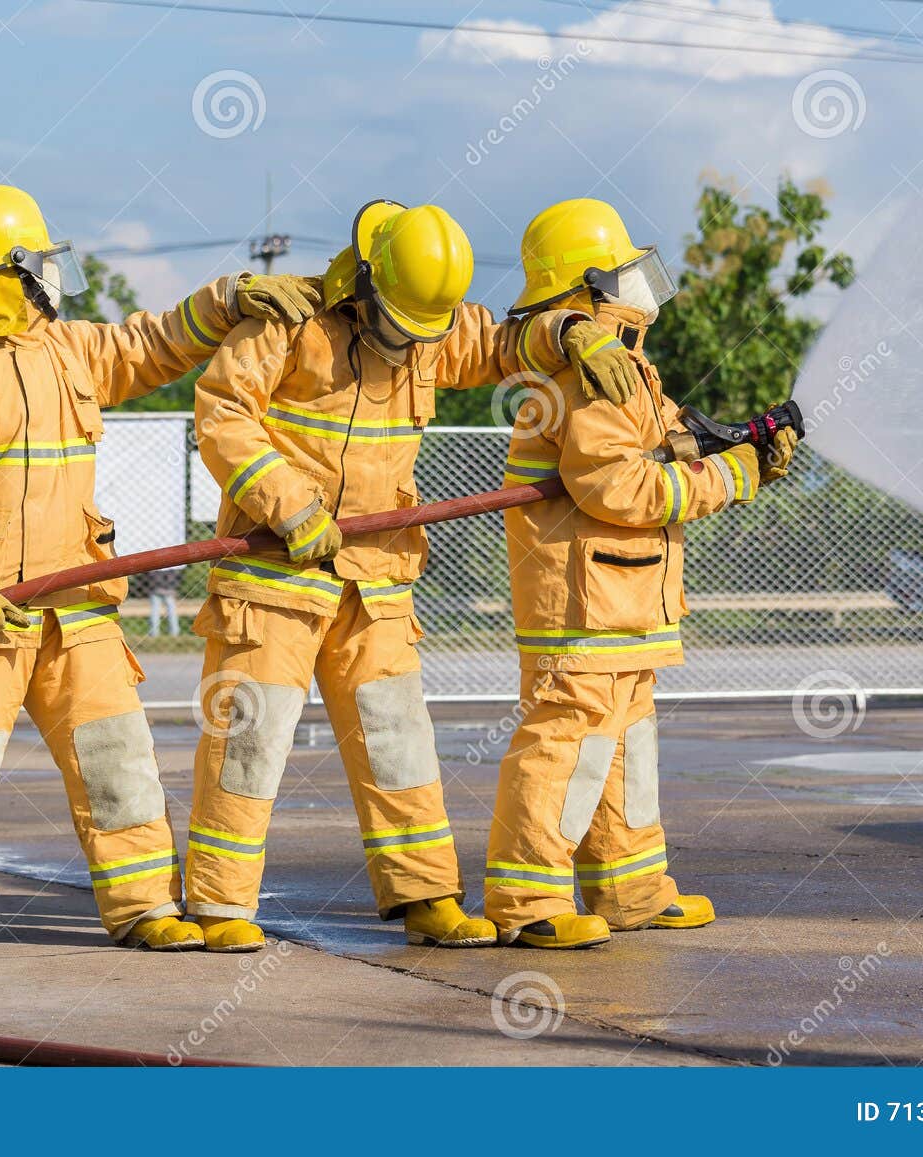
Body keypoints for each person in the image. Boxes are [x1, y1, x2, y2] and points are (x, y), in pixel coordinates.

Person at [182, 199, 638, 952]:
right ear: (363, 285)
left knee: (398, 742)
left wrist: (570, 330)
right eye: (398, 328)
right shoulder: (288, 325)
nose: (410, 346)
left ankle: (425, 894)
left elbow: (504, 343)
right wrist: (289, 504)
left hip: (378, 581)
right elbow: (223, 413)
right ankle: (219, 903)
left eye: (423, 333)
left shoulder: (429, 329)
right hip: (274, 579)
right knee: (249, 741)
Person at [0, 184, 322, 958]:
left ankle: (144, 906)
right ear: (6, 275)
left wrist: (226, 298)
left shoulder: (71, 351)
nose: (51, 280)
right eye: (38, 266)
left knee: (118, 759)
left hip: (77, 607)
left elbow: (150, 343)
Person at [485, 198, 797, 948]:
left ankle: (631, 890)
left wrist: (738, 444)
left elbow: (666, 442)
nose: (642, 288)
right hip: (582, 601)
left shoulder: (625, 369)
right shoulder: (590, 373)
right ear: (588, 289)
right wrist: (736, 475)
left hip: (621, 598)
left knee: (626, 749)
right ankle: (527, 902)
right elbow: (618, 487)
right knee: (565, 742)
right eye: (625, 273)